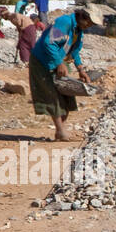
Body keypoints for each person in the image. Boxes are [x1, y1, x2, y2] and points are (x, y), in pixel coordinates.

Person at [30, 8, 93, 142]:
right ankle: (60, 130)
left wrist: (80, 69)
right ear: (82, 18)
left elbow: (74, 51)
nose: (90, 26)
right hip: (44, 61)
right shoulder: (64, 22)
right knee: (52, 94)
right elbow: (49, 42)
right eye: (89, 22)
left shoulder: (78, 31)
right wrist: (59, 63)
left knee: (66, 94)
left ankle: (61, 130)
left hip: (60, 60)